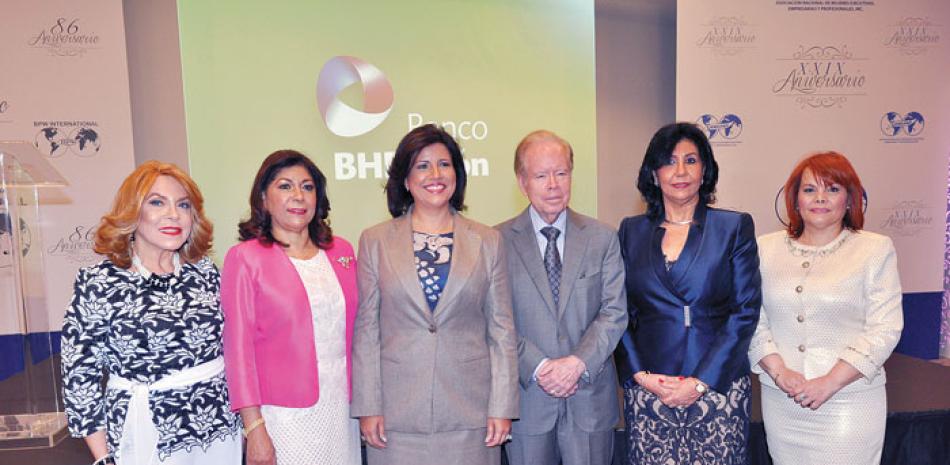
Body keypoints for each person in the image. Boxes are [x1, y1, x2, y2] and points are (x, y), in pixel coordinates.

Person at [352, 124, 519, 465]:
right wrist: (368, 406)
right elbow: (367, 330)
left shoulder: (488, 241)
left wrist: (502, 407)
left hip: (472, 414)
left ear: (457, 174)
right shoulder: (375, 240)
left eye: (444, 164)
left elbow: (501, 330)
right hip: (397, 418)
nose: (435, 174)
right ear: (405, 179)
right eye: (422, 165)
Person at [61, 161, 241, 465]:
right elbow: (80, 377)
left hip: (219, 432)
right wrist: (103, 457)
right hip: (145, 434)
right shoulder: (99, 282)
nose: (173, 214)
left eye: (183, 205)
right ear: (133, 211)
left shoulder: (206, 273)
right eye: (157, 202)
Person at [616, 122, 761, 465]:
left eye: (691, 161)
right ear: (654, 173)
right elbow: (617, 310)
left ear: (705, 170)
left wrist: (700, 382)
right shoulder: (630, 231)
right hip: (652, 388)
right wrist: (640, 375)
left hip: (716, 385)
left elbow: (744, 311)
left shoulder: (733, 227)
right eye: (669, 161)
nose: (680, 171)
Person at [749, 151, 903, 465]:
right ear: (795, 200)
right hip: (783, 400)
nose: (820, 198)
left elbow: (885, 328)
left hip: (849, 400)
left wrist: (830, 382)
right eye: (809, 190)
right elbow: (751, 318)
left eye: (832, 189)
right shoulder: (764, 248)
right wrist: (779, 372)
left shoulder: (874, 249)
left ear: (849, 199)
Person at [496, 130, 627, 465]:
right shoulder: (496, 242)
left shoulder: (602, 238)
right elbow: (496, 320)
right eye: (541, 175)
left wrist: (576, 364)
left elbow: (614, 312)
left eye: (561, 173)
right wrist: (539, 367)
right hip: (528, 403)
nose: (553, 184)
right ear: (522, 182)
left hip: (590, 401)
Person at [221, 150, 360, 465]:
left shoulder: (341, 250)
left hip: (341, 410)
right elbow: (238, 350)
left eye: (307, 187)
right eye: (285, 186)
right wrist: (254, 428)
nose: (298, 195)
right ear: (264, 199)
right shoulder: (245, 258)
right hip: (283, 418)